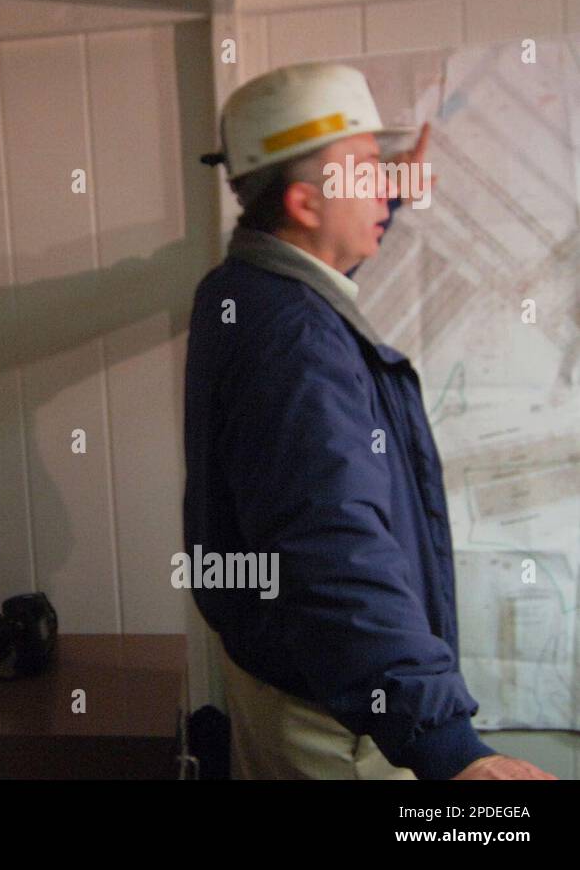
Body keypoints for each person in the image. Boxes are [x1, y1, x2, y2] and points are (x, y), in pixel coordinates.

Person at [184, 62, 555, 780]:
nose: (384, 183)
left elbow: (311, 270)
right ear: (303, 203)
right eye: (363, 170)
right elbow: (332, 549)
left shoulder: (238, 290)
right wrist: (448, 747)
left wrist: (387, 200)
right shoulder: (293, 341)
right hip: (342, 728)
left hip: (290, 686)